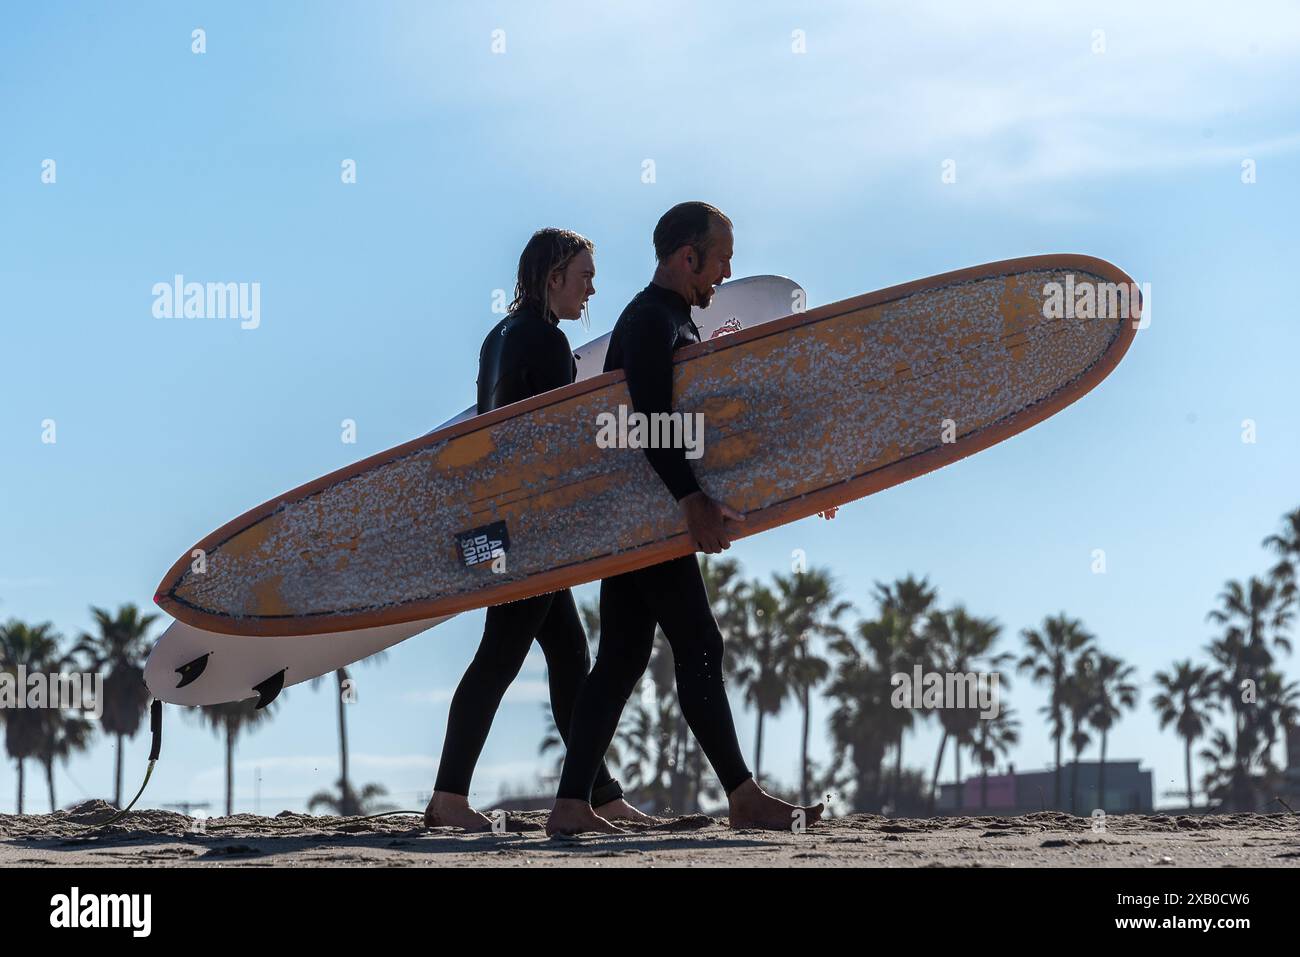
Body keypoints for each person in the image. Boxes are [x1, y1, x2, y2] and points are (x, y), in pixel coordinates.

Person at [547, 203, 826, 834]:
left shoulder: (673, 322)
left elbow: (696, 419)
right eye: (721, 257)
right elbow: (646, 417)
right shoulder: (651, 319)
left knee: (621, 655)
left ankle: (570, 805)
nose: (726, 273)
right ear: (686, 257)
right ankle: (744, 796)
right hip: (648, 511)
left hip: (637, 511)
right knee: (699, 643)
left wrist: (803, 484)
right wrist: (689, 501)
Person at [425, 228, 652, 830]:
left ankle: (598, 795)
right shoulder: (548, 343)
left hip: (500, 520)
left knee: (568, 654)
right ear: (553, 278)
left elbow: (485, 438)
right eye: (583, 276)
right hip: (531, 528)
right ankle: (448, 799)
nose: (592, 289)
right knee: (500, 656)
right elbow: (556, 445)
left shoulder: (497, 338)